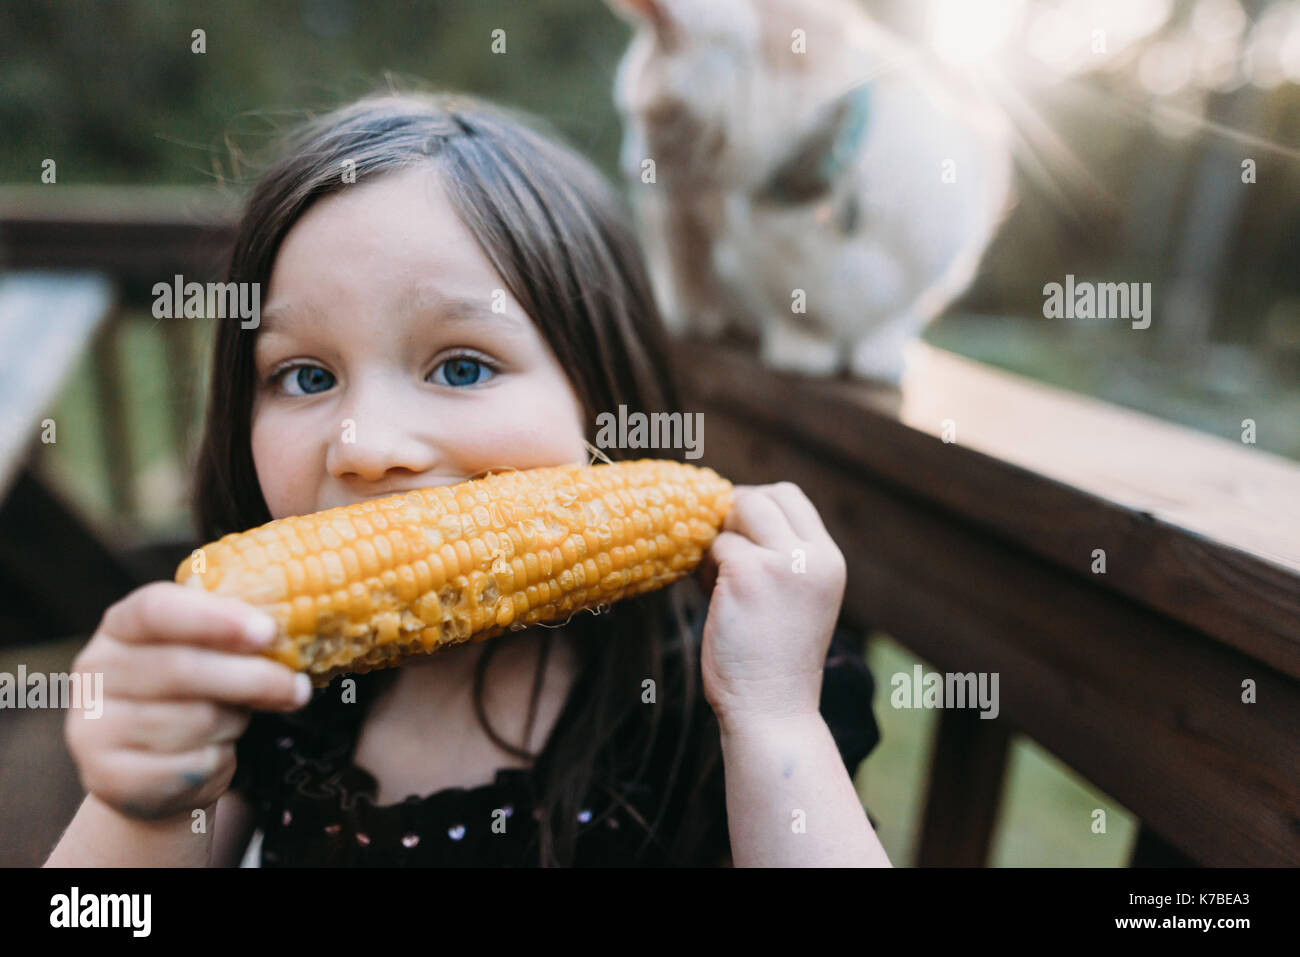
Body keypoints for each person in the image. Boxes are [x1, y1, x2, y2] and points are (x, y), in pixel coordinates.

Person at [46, 89, 890, 867]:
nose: (366, 445)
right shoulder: (264, 691)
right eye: (305, 375)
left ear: (602, 396)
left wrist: (773, 714)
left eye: (460, 366)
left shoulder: (716, 685)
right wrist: (144, 809)